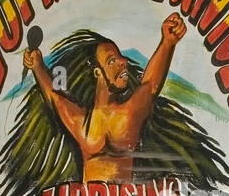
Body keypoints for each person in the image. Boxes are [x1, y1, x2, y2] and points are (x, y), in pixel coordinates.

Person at [21, 12, 187, 183]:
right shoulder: (80, 123)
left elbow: (150, 84)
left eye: (121, 58)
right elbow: (54, 97)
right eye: (112, 61)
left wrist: (167, 43)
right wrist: (37, 66)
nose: (123, 62)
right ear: (97, 73)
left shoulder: (129, 113)